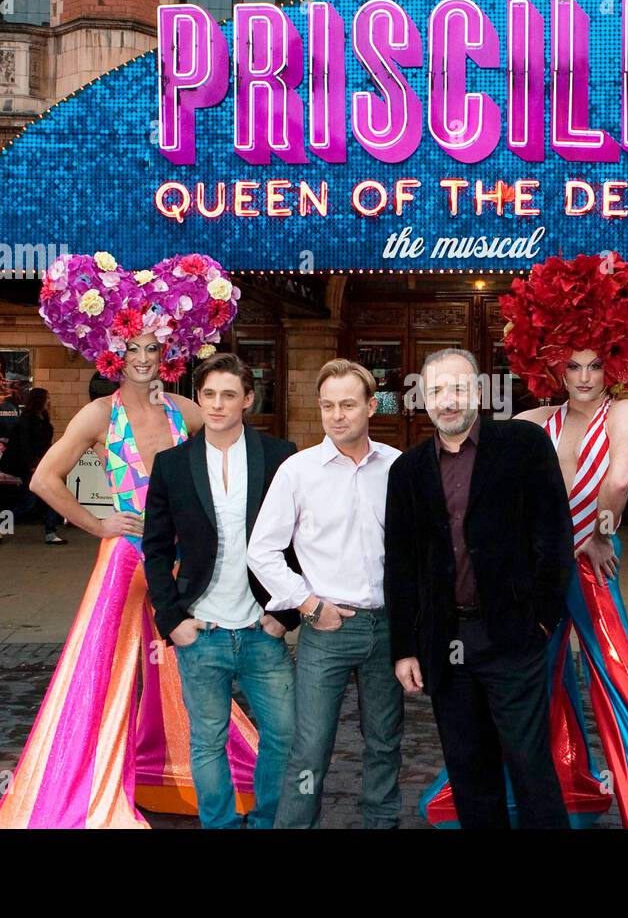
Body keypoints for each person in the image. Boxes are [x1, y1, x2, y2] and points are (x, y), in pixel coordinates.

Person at [427, 252, 628, 829]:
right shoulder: (535, 419)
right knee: (531, 682)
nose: (585, 377)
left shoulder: (626, 413)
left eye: (596, 364)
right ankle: (550, 796)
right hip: (541, 568)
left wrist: (597, 537)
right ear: (553, 369)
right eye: (573, 366)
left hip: (591, 564)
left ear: (617, 363)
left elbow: (619, 481)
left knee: (617, 678)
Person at [0, 250, 253, 829]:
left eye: (150, 348)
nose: (141, 359)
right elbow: (42, 479)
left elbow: (237, 466)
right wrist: (100, 523)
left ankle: (176, 771)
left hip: (183, 563)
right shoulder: (99, 416)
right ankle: (81, 788)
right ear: (115, 354)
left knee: (187, 665)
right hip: (125, 556)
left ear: (167, 353)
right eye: (131, 349)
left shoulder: (188, 411)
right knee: (101, 671)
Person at [384, 347, 573, 829]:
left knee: (530, 764)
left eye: (460, 388)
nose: (449, 400)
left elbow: (554, 538)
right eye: (438, 390)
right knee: (470, 770)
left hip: (511, 636)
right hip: (446, 643)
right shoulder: (407, 471)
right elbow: (402, 565)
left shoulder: (523, 445)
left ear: (480, 393)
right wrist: (405, 647)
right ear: (423, 398)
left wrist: (541, 620)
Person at [143, 353, 299, 829]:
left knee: (286, 735)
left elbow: (298, 541)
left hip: (261, 629)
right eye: (208, 394)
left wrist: (285, 614)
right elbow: (154, 549)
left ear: (247, 400)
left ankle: (267, 822)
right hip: (202, 631)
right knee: (207, 742)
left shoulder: (280, 456)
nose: (217, 404)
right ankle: (221, 826)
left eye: (228, 394)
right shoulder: (172, 464)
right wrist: (173, 621)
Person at [247, 358, 403, 829]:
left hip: (387, 626)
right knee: (310, 748)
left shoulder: (397, 467)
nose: (337, 415)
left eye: (349, 405)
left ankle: (381, 824)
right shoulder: (298, 471)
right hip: (327, 628)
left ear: (371, 406)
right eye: (328, 405)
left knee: (385, 741)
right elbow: (261, 550)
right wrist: (309, 604)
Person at [0, 387, 65, 544]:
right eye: (47, 397)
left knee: (50, 497)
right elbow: (25, 443)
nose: (49, 401)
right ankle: (1, 522)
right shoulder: (27, 418)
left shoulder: (42, 418)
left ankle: (51, 532)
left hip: (42, 464)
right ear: (39, 399)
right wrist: (32, 464)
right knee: (30, 501)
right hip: (31, 465)